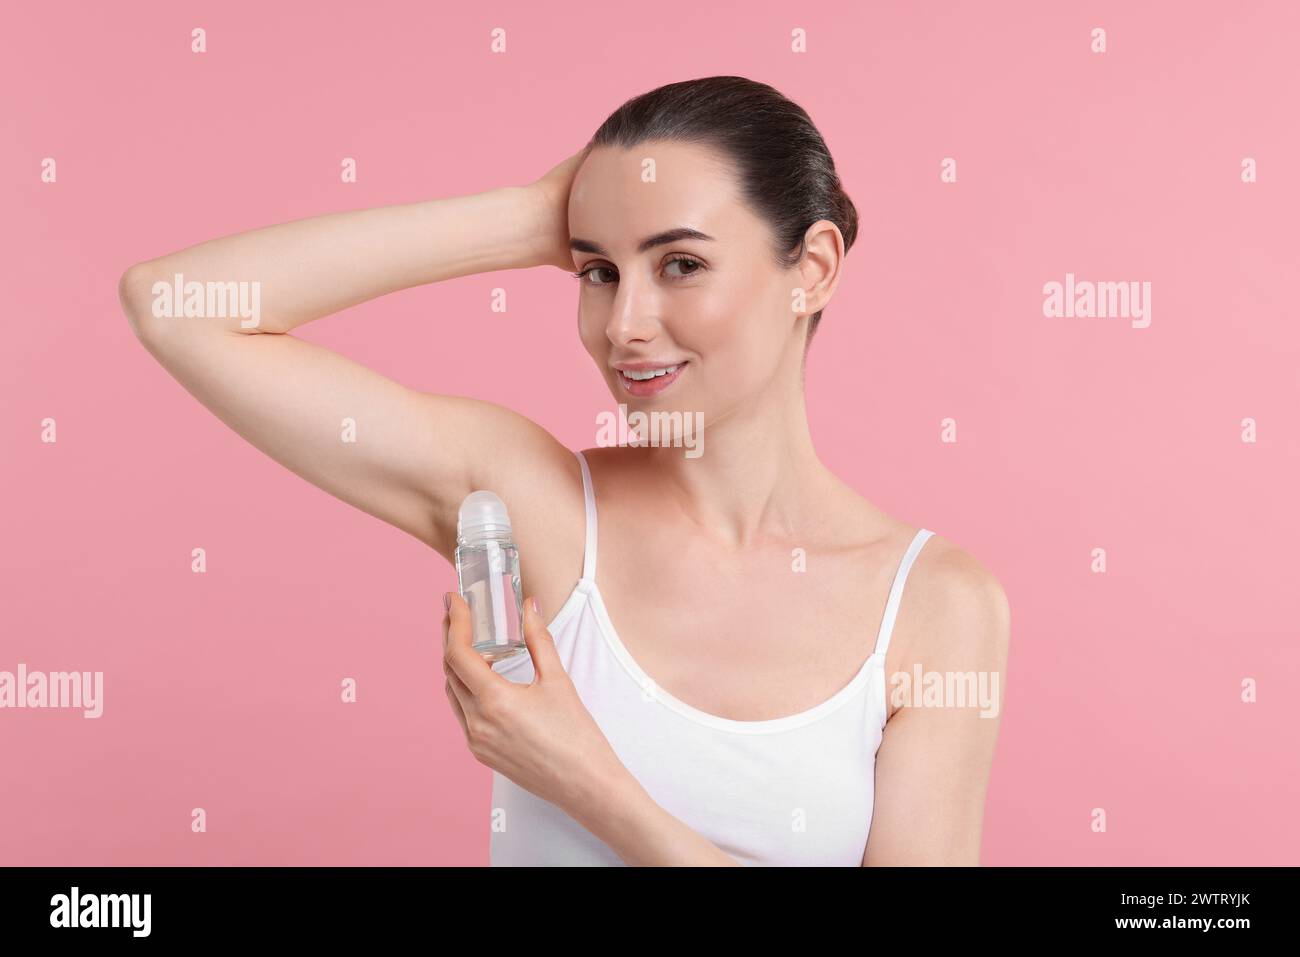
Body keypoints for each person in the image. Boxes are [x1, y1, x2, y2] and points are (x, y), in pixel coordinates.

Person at [119, 75, 1010, 866]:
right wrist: (525, 216)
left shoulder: (934, 607)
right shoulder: (538, 510)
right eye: (597, 270)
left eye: (681, 264)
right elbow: (176, 308)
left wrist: (588, 781)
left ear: (810, 269)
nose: (624, 323)